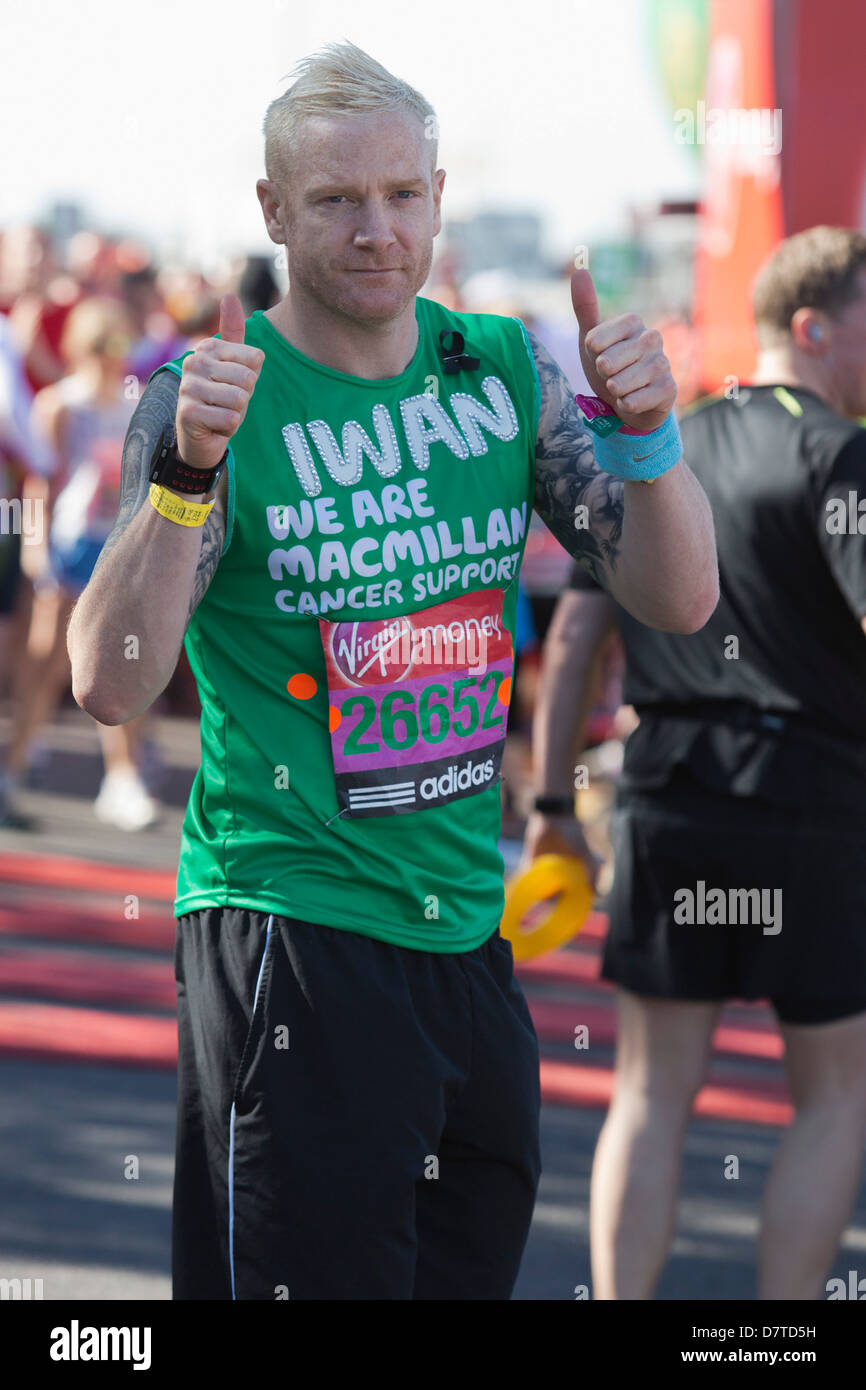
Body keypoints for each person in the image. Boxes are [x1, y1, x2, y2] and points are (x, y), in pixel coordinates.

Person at [67, 39, 716, 1301]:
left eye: (402, 195)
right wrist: (187, 477)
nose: (377, 232)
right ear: (273, 211)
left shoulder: (500, 368)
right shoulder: (212, 399)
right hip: (291, 931)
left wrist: (651, 441)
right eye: (334, 201)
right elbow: (110, 679)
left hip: (464, 936)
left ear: (433, 197)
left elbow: (678, 597)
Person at [524, 224, 866, 1301]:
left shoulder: (655, 441)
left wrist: (546, 802)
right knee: (831, 1097)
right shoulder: (837, 454)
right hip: (812, 803)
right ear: (812, 328)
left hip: (667, 797)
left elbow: (575, 638)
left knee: (649, 1090)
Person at [2, 296, 159, 830]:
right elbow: (41, 483)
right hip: (69, 545)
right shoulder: (60, 403)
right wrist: (34, 545)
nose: (109, 355)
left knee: (115, 665)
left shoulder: (136, 401)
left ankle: (122, 779)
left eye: (116, 343)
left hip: (116, 548)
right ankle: (15, 765)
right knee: (46, 661)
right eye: (100, 343)